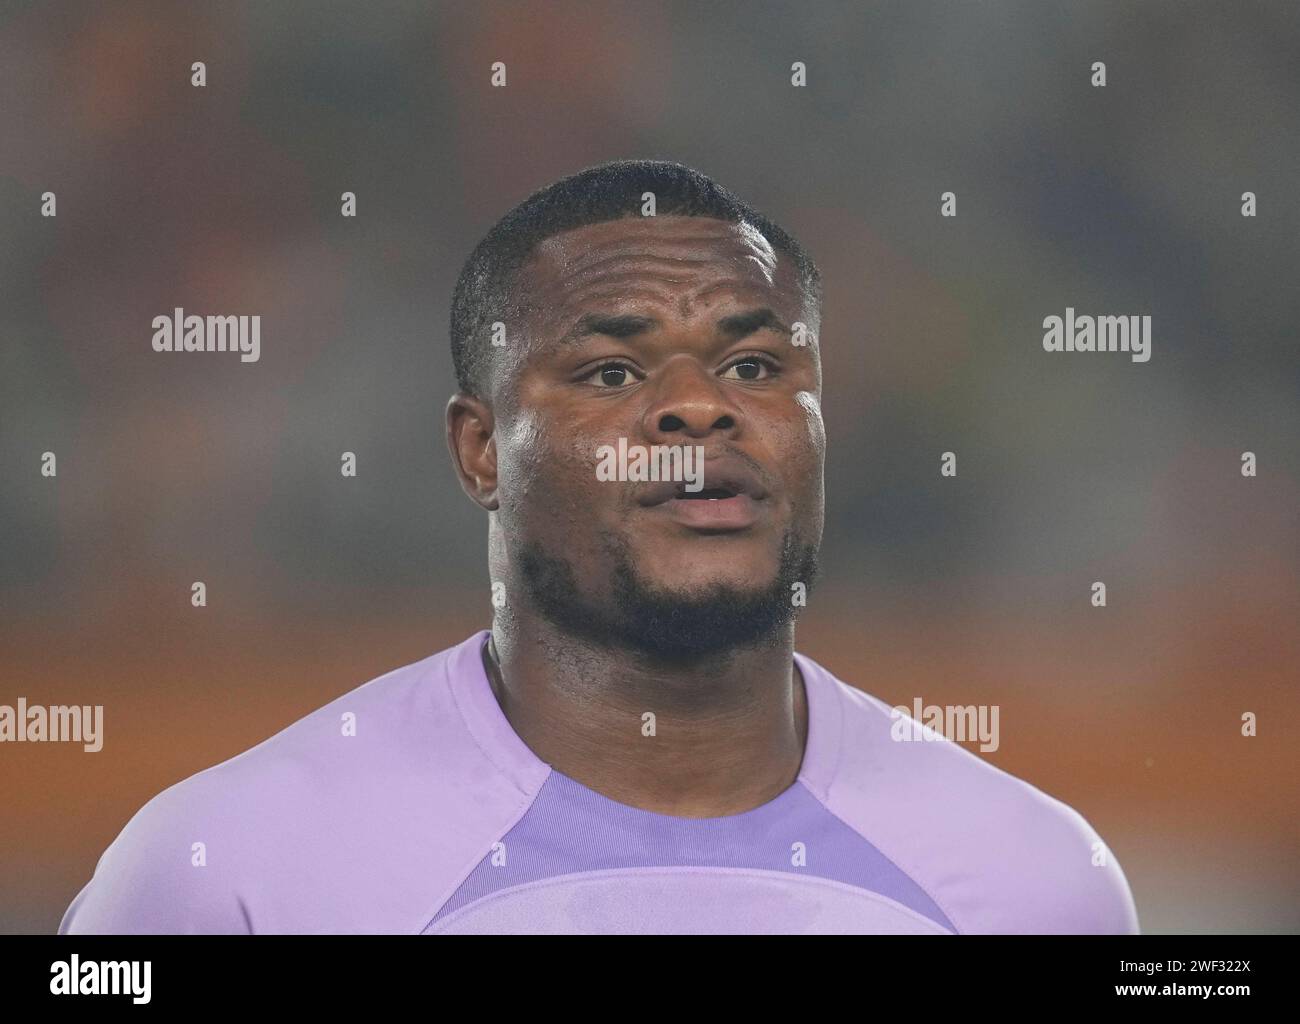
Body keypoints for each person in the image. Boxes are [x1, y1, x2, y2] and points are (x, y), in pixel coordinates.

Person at [60, 159, 1139, 934]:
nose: (700, 407)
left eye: (755, 367)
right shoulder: (230, 869)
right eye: (612, 372)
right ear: (481, 450)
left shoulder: (1034, 880)